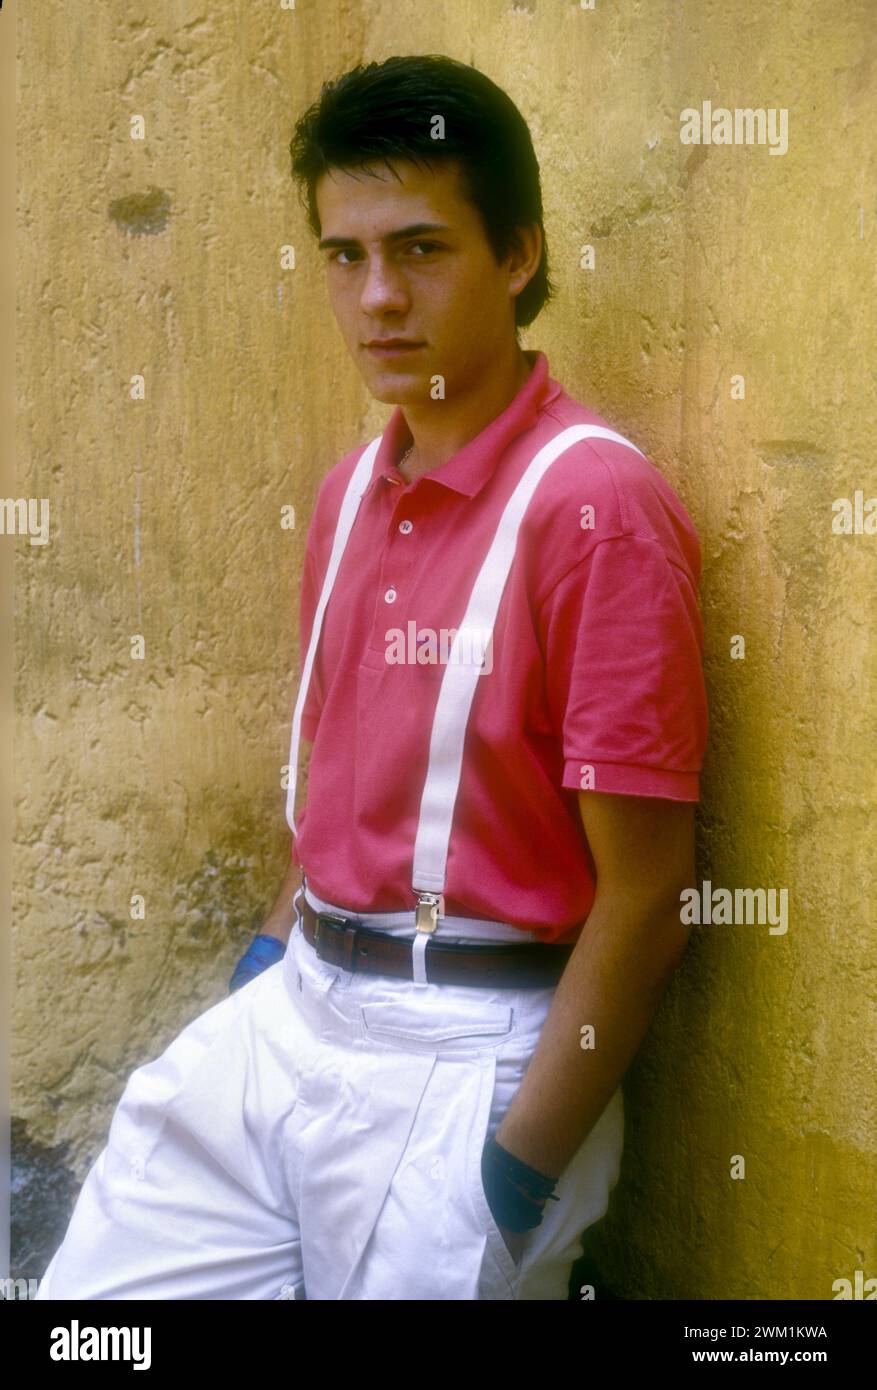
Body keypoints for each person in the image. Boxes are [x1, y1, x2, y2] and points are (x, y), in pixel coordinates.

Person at [35, 53, 708, 1301]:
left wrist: (513, 1174)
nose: (377, 298)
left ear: (516, 255)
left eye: (420, 249)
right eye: (344, 256)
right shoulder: (352, 493)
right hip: (297, 1010)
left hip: (469, 1059)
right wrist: (263, 967)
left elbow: (649, 897)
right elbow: (351, 774)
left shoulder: (593, 506)